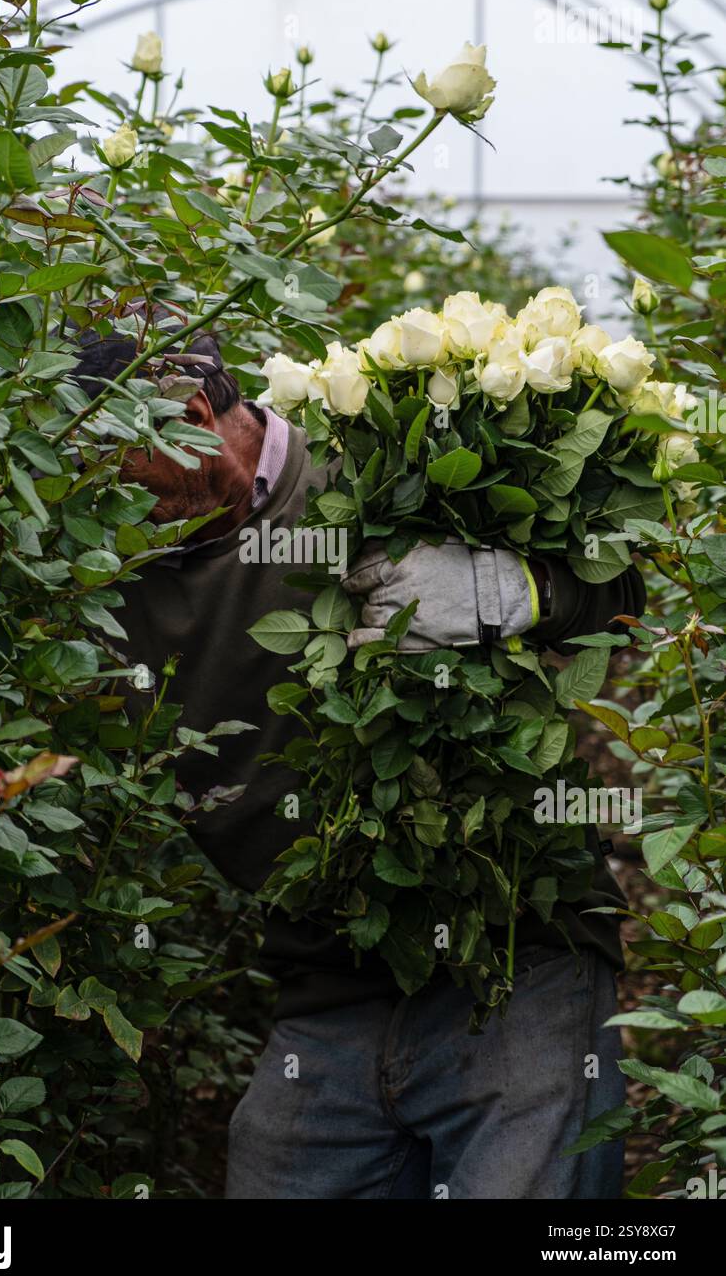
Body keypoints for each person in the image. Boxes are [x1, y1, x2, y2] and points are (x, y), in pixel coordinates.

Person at [72, 330, 645, 1200]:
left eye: (110, 478)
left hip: (517, 953)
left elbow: (618, 595)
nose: (96, 508)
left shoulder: (381, 461)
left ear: (189, 419)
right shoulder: (97, 568)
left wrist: (503, 593)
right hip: (323, 981)